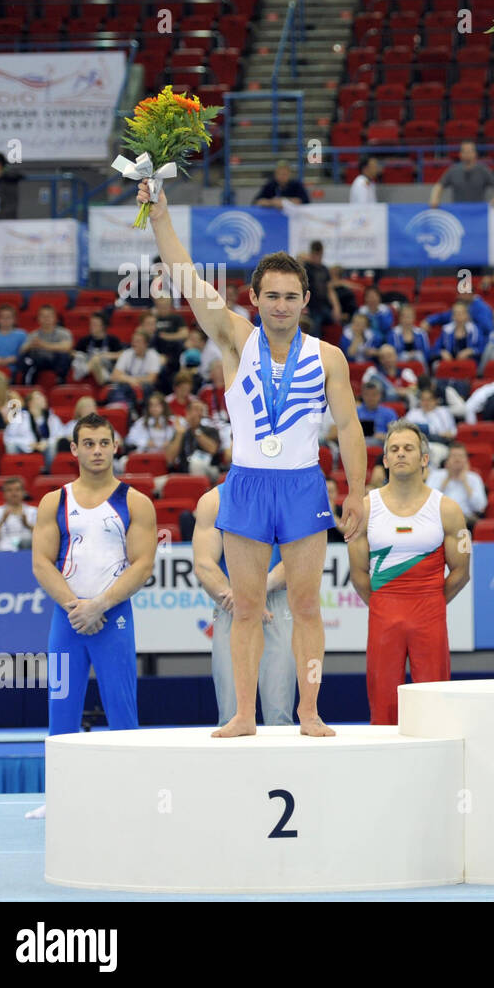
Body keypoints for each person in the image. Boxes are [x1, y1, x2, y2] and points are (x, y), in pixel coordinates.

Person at [141, 179, 370, 738]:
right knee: (245, 607)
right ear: (254, 298)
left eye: (291, 296)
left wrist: (358, 490)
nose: (282, 305)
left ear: (306, 301)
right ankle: (244, 714)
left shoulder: (329, 358)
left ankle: (309, 711)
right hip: (246, 484)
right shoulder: (233, 339)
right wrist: (159, 215)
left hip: (301, 486)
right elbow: (187, 278)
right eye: (272, 296)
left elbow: (347, 426)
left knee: (306, 606)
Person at [30, 413, 156, 752]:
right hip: (67, 620)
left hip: (113, 617)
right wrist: (77, 609)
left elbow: (143, 565)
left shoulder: (135, 502)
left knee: (122, 713)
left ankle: (132, 796)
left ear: (115, 447)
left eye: (103, 443)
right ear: (74, 449)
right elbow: (41, 563)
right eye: (88, 444)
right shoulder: (53, 501)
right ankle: (59, 800)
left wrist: (97, 606)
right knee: (61, 713)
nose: (97, 451)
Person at [347, 422, 469, 723]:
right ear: (385, 460)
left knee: (434, 700)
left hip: (429, 608)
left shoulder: (448, 509)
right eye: (394, 449)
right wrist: (384, 602)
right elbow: (358, 575)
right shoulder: (365, 509)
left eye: (409, 448)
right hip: (384, 609)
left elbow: (461, 572)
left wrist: (430, 601)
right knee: (383, 700)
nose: (401, 454)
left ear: (424, 458)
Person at [192, 485, 296, 726]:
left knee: (279, 714)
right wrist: (237, 595)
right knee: (229, 714)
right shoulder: (214, 501)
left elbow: (300, 560)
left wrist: (255, 591)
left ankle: (283, 763)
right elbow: (204, 564)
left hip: (274, 599)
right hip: (230, 600)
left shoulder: (289, 497)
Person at [428, 141, 494, 207]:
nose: (467, 154)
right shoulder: (453, 170)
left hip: (479, 213)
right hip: (459, 213)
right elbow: (439, 186)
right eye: (464, 151)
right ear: (460, 154)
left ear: (475, 153)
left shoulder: (483, 170)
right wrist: (434, 199)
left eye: (469, 151)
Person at [427, 441, 487, 522]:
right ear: (447, 459)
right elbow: (428, 501)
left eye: (461, 456)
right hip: (439, 518)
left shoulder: (474, 478)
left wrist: (465, 483)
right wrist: (447, 480)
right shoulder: (436, 475)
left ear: (466, 460)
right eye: (454, 456)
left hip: (466, 519)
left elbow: (480, 506)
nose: (457, 459)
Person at [17, 304, 74, 385]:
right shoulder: (33, 334)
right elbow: (22, 349)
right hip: (39, 361)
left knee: (64, 356)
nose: (46, 319)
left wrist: (43, 345)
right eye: (43, 316)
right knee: (25, 357)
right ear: (38, 319)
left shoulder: (64, 332)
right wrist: (30, 346)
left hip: (56, 361)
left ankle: (61, 381)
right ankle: (28, 384)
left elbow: (67, 347)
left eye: (49, 316)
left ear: (55, 318)